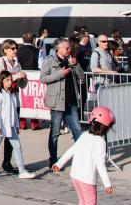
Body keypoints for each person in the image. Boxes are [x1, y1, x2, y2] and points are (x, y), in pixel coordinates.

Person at [52, 107, 115, 205]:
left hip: (75, 176)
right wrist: (107, 184)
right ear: (106, 126)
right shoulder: (100, 142)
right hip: (87, 179)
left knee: (82, 201)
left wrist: (59, 164)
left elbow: (71, 150)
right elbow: (100, 165)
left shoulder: (84, 135)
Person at [0, 70, 35, 179]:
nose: (10, 82)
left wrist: (17, 125)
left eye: (10, 79)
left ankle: (22, 170)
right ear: (2, 81)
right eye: (7, 80)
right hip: (1, 126)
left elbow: (14, 112)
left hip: (11, 126)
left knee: (17, 147)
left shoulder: (12, 94)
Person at [41, 38, 85, 167]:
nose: (68, 50)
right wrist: (60, 74)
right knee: (55, 132)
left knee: (77, 130)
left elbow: (81, 76)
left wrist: (76, 65)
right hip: (57, 101)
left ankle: (80, 158)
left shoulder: (71, 60)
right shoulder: (50, 60)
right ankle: (53, 159)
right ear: (58, 48)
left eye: (69, 48)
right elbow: (43, 78)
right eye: (66, 48)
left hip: (71, 101)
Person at [0, 39, 27, 173]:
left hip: (14, 100)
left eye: (16, 48)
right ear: (5, 49)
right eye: (12, 48)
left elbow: (21, 85)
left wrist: (23, 79)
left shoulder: (17, 62)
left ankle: (7, 161)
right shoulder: (0, 61)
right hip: (3, 101)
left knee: (12, 132)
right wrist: (16, 75)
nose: (15, 51)